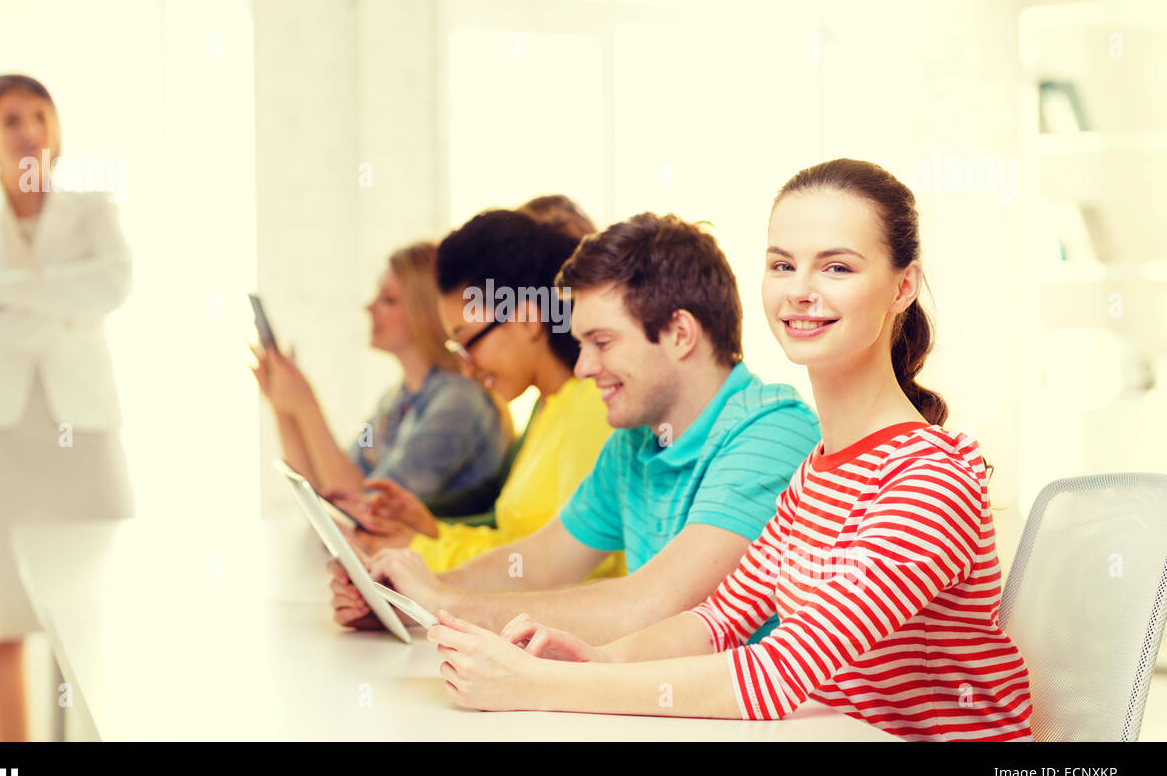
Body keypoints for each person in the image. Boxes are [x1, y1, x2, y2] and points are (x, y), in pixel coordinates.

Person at [425, 159, 1034, 742]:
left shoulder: (929, 478)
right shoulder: (818, 473)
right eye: (781, 265)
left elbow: (775, 676)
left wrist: (546, 684)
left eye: (837, 268)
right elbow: (718, 623)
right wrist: (595, 659)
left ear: (903, 286)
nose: (800, 291)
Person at [333, 213, 821, 645]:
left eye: (602, 342)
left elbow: (652, 605)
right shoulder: (633, 444)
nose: (584, 367)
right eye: (581, 343)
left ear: (679, 333)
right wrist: (407, 599)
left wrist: (443, 606)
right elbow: (539, 563)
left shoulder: (773, 434)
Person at [0, 74, 134, 741]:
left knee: (94, 603)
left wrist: (5, 288)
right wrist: (61, 316)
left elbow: (111, 283)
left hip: (82, 429)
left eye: (39, 116)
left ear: (54, 131)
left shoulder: (92, 208)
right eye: (10, 119)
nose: (27, 130)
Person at [346, 210, 623, 583]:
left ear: (526, 319)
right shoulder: (549, 409)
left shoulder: (595, 406)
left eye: (467, 342)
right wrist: (430, 533)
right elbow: (514, 544)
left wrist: (419, 551)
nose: (467, 368)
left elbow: (568, 568)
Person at [252, 241, 509, 511]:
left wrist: (306, 406)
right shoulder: (393, 401)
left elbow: (367, 511)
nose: (369, 308)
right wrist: (284, 407)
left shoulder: (459, 404)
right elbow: (327, 492)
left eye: (388, 300)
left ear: (425, 313)